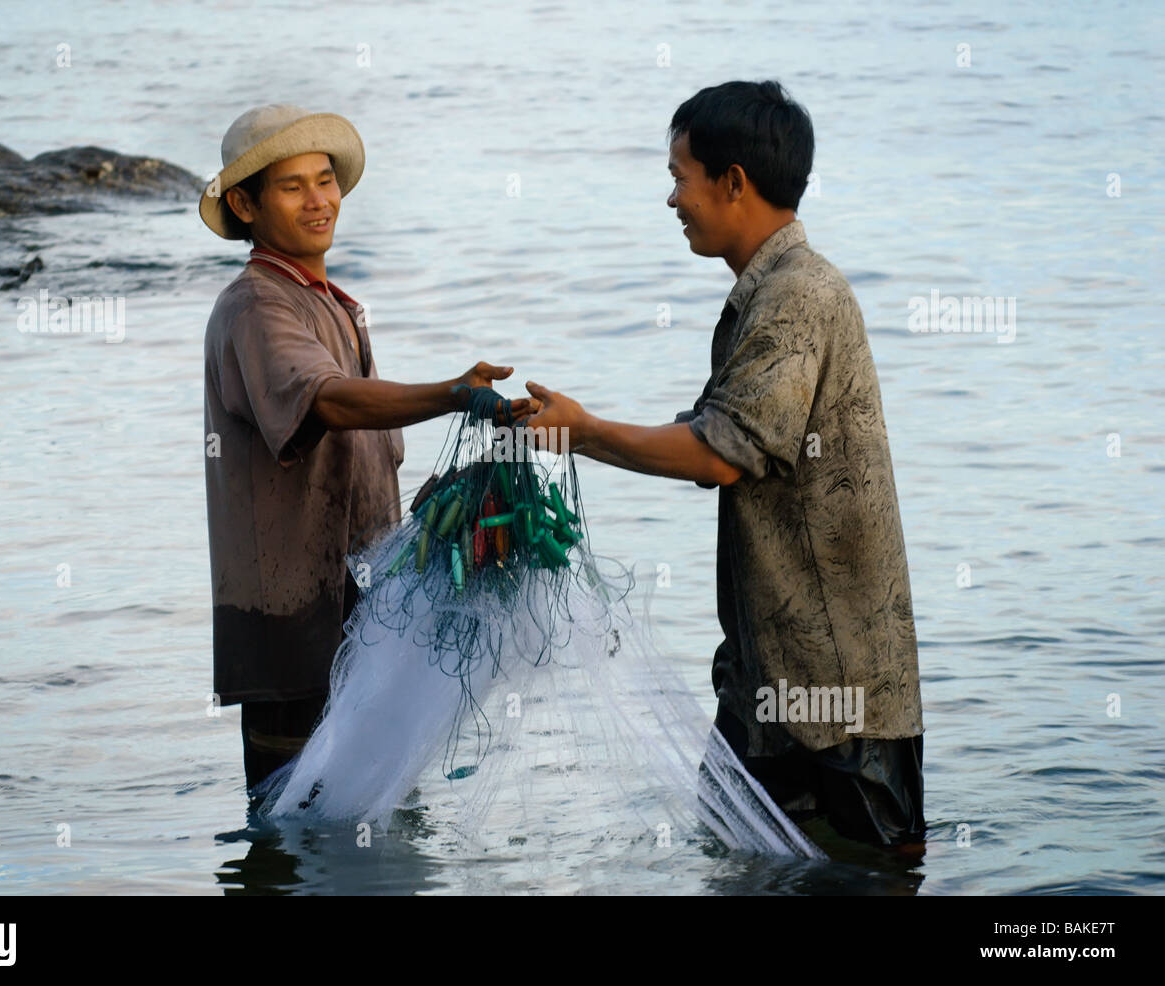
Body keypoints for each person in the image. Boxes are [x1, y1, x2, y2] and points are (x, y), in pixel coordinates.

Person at [522, 81, 926, 850]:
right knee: (738, 860)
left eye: (680, 176)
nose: (672, 198)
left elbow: (718, 455)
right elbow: (715, 437)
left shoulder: (798, 295)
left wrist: (588, 431)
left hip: (834, 691)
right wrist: (578, 431)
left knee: (868, 874)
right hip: (771, 678)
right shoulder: (769, 293)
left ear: (732, 181)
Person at [198, 104, 532, 797]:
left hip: (364, 622)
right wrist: (451, 394)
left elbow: (362, 461)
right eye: (292, 186)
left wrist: (460, 499)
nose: (319, 200)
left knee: (369, 826)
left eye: (325, 180)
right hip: (294, 634)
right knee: (301, 834)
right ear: (244, 204)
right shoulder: (257, 307)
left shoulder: (333, 305)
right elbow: (330, 402)